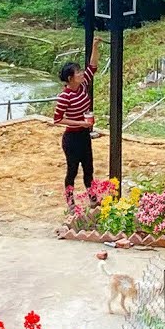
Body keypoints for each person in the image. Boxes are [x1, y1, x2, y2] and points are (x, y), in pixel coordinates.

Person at [53, 38, 100, 210]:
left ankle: (93, 197)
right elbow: (57, 119)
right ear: (70, 78)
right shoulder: (65, 96)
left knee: (89, 168)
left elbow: (92, 67)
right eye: (77, 73)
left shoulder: (83, 86)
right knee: (72, 170)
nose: (81, 74)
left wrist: (95, 47)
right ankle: (70, 201)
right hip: (72, 138)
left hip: (83, 135)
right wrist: (79, 122)